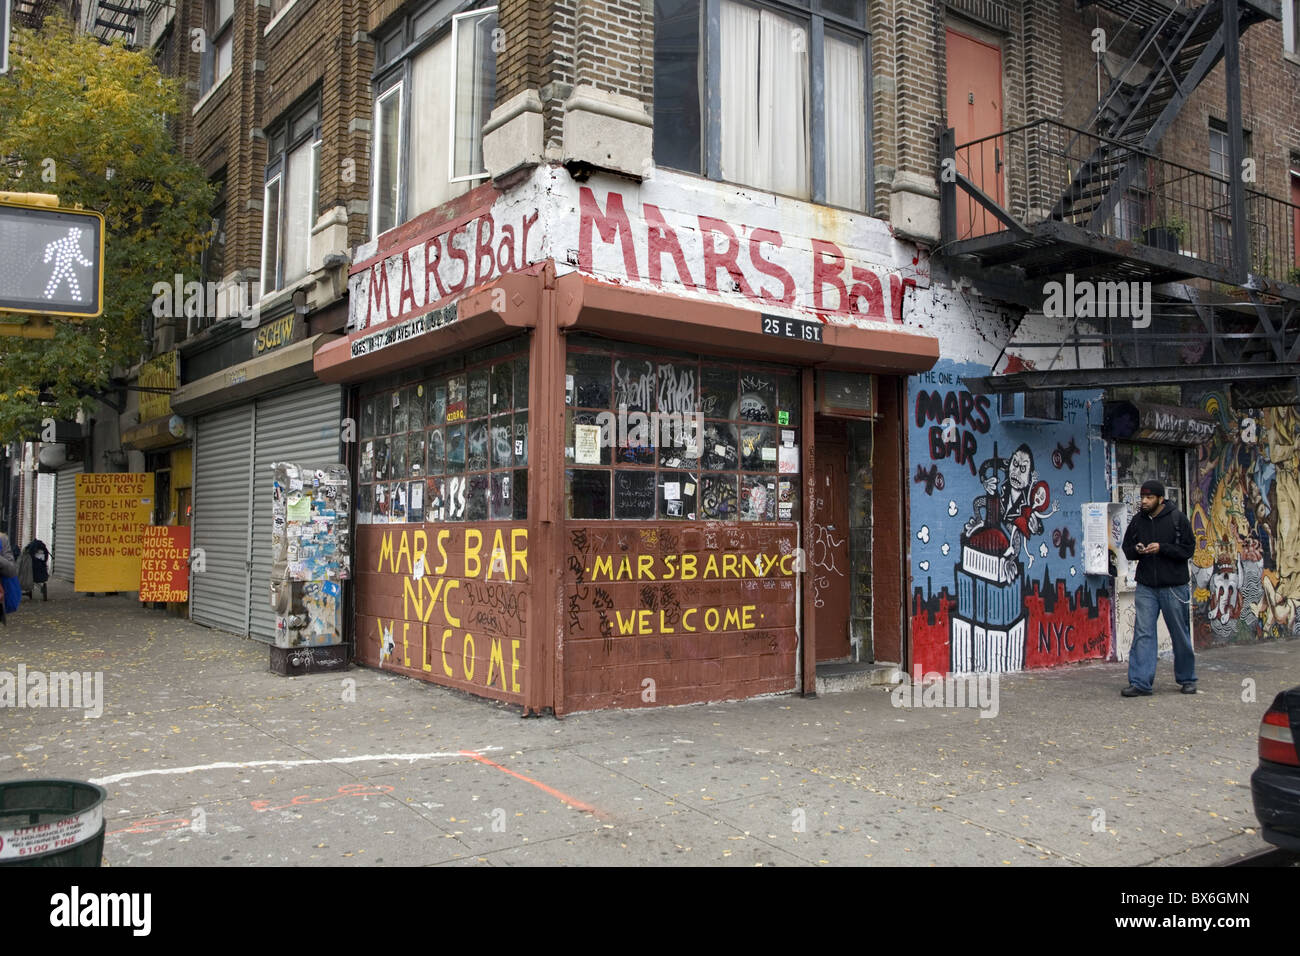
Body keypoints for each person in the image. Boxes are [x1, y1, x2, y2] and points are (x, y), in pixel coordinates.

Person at [1120, 479, 1197, 696]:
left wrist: (1162, 548)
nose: (1144, 501)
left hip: (1174, 587)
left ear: (1160, 499)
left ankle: (1187, 679)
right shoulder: (1138, 521)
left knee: (1179, 633)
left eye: (1149, 497)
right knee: (1143, 633)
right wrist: (1137, 549)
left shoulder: (1177, 518)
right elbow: (1127, 548)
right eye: (1142, 497)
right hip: (1146, 587)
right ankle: (1141, 683)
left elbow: (1188, 549)